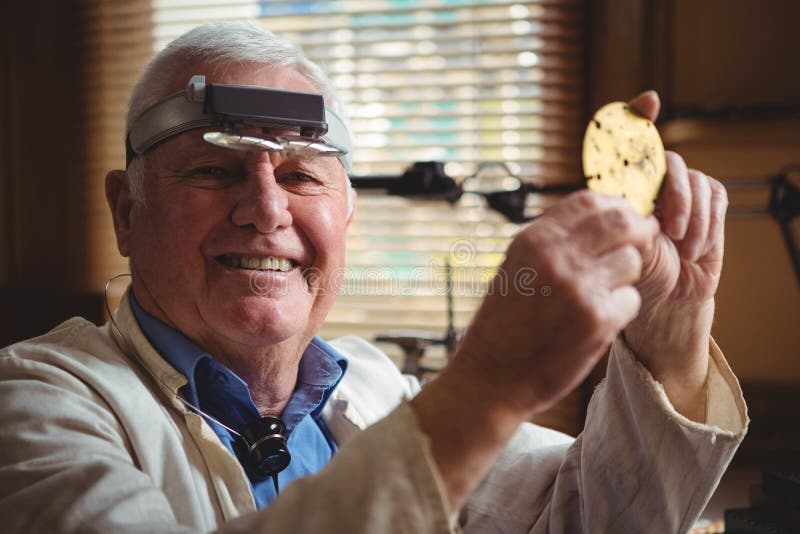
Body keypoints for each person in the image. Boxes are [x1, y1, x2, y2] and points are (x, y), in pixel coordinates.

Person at [0, 22, 747, 533]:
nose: (266, 209)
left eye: (300, 175)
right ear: (127, 213)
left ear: (347, 215)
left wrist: (669, 334)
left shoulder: (373, 387)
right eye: (213, 168)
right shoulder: (34, 408)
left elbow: (586, 518)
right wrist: (485, 388)